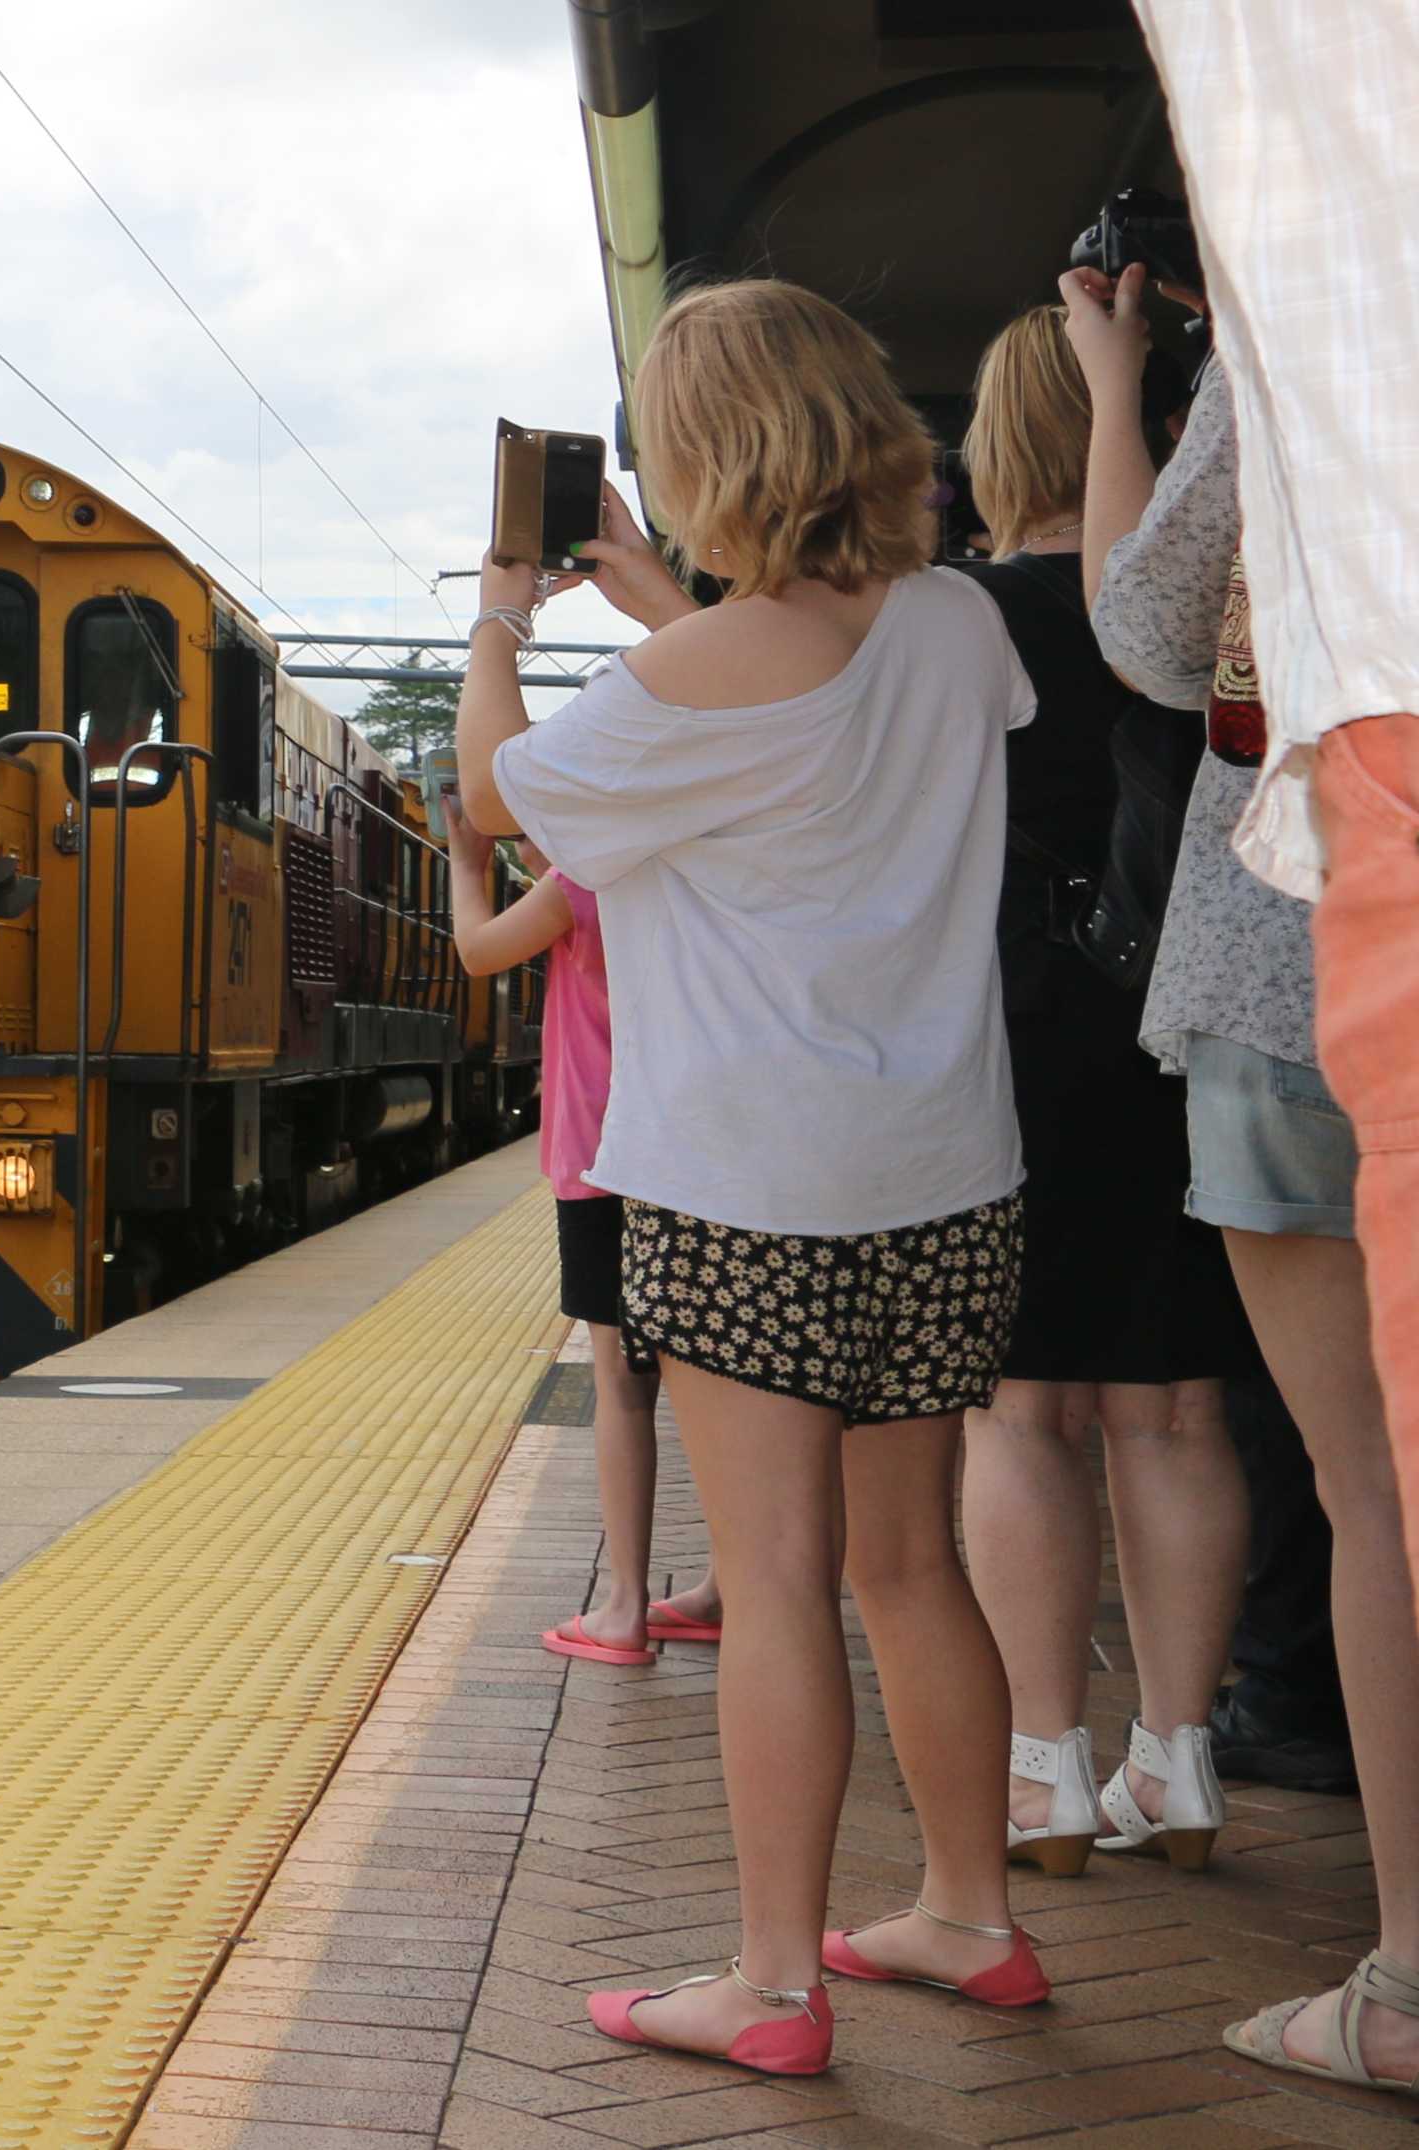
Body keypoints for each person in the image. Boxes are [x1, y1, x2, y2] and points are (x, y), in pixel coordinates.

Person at [459, 279, 1046, 2077]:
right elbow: (823, 684)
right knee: (910, 1562)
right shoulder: (959, 625)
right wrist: (658, 592)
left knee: (775, 1580)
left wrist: (502, 619)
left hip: (746, 1188)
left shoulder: (682, 679)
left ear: (704, 452)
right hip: (947, 1173)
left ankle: (774, 1987)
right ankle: (969, 1914)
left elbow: (501, 799)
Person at [1067, 251, 1419, 2099]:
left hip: (1303, 957)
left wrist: (1122, 383)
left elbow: (1144, 624)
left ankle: (1414, 1985)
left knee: (1375, 1491)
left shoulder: (1320, 335)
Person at [947, 306, 1259, 1879]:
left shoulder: (958, 615)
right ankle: (1179, 1760)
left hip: (1013, 1031)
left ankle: (1044, 1767)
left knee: (1022, 1406)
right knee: (1179, 1406)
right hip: (1185, 1015)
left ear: (1001, 442)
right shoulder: (1199, 607)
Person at [445, 816, 722, 1668]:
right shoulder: (684, 867)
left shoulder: (579, 885)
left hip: (605, 1156)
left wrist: (466, 860)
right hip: (696, 1151)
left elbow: (478, 950)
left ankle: (623, 1607)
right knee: (716, 1383)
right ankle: (729, 1584)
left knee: (622, 1387)